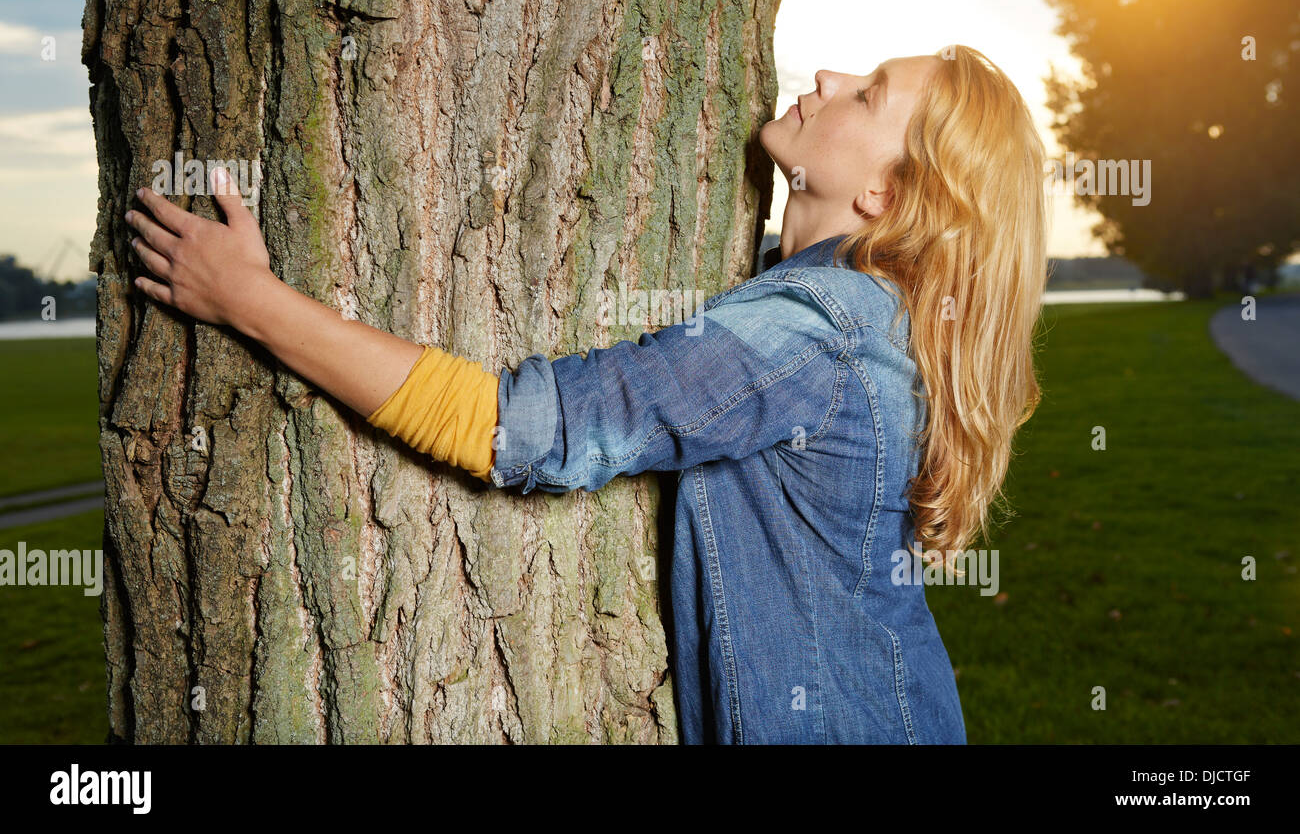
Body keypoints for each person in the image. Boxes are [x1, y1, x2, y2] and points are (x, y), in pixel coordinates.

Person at [125, 44, 1048, 744]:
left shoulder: (816, 329)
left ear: (888, 194)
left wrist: (251, 300)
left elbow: (516, 428)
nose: (831, 72)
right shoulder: (852, 312)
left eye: (867, 94)